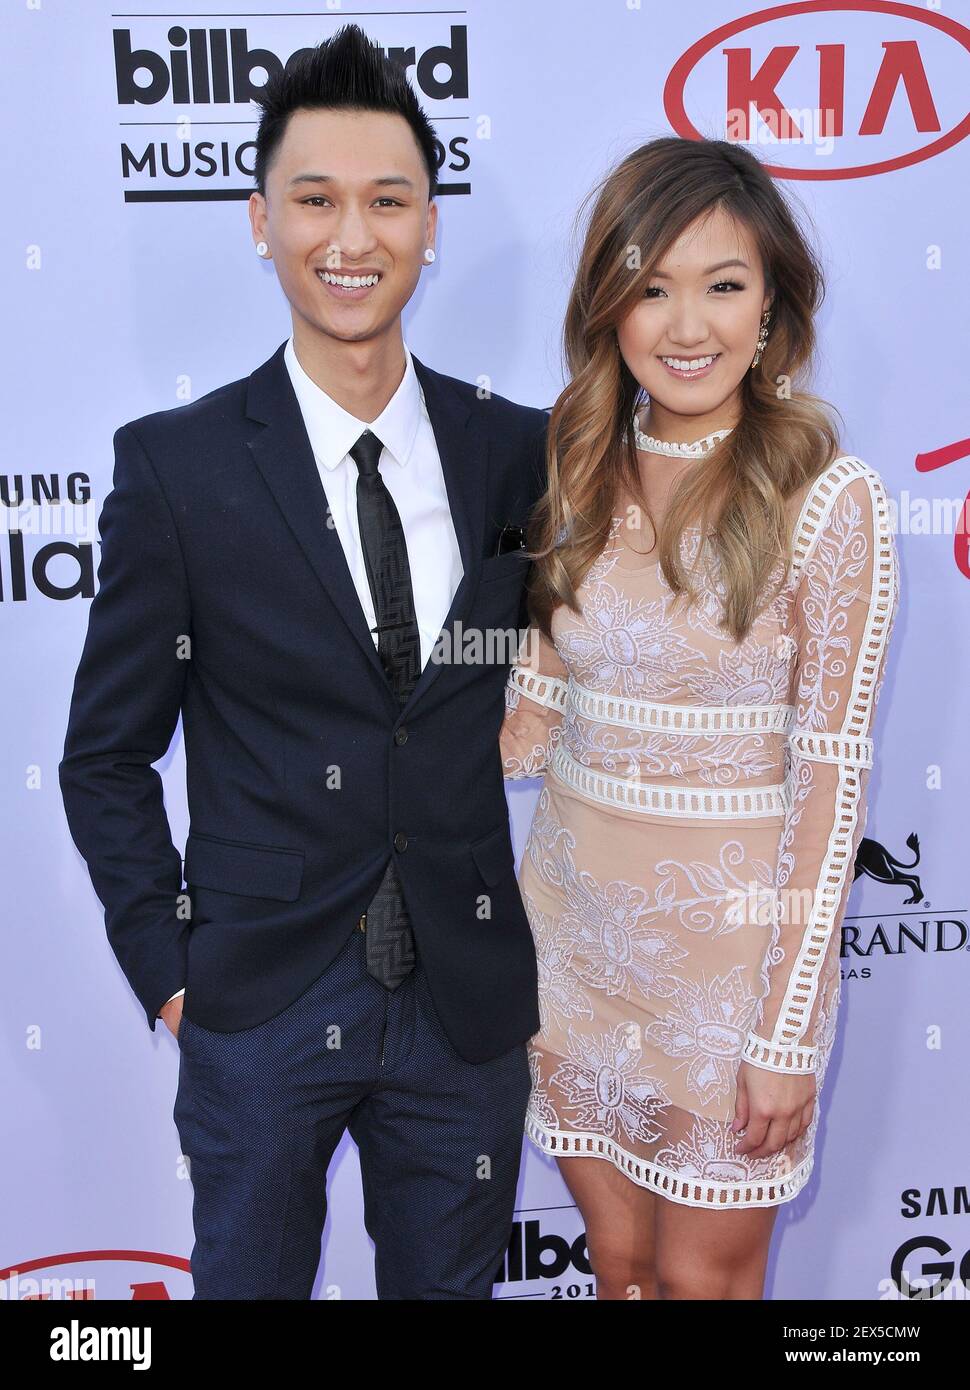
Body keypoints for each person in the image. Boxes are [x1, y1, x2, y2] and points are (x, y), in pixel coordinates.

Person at [59, 24, 547, 1300]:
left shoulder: (520, 452)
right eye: (315, 199)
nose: (351, 236)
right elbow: (105, 755)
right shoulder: (177, 468)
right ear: (260, 220)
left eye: (387, 200)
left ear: (429, 225)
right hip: (259, 1004)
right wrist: (173, 975)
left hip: (464, 1008)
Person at [500, 136, 899, 1300]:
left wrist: (785, 1032)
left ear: (771, 305)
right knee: (620, 1271)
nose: (686, 325)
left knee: (701, 1288)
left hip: (731, 979)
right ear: (608, 309)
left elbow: (830, 779)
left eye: (722, 285)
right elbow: (526, 720)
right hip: (569, 951)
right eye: (650, 287)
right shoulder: (573, 469)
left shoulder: (830, 499)